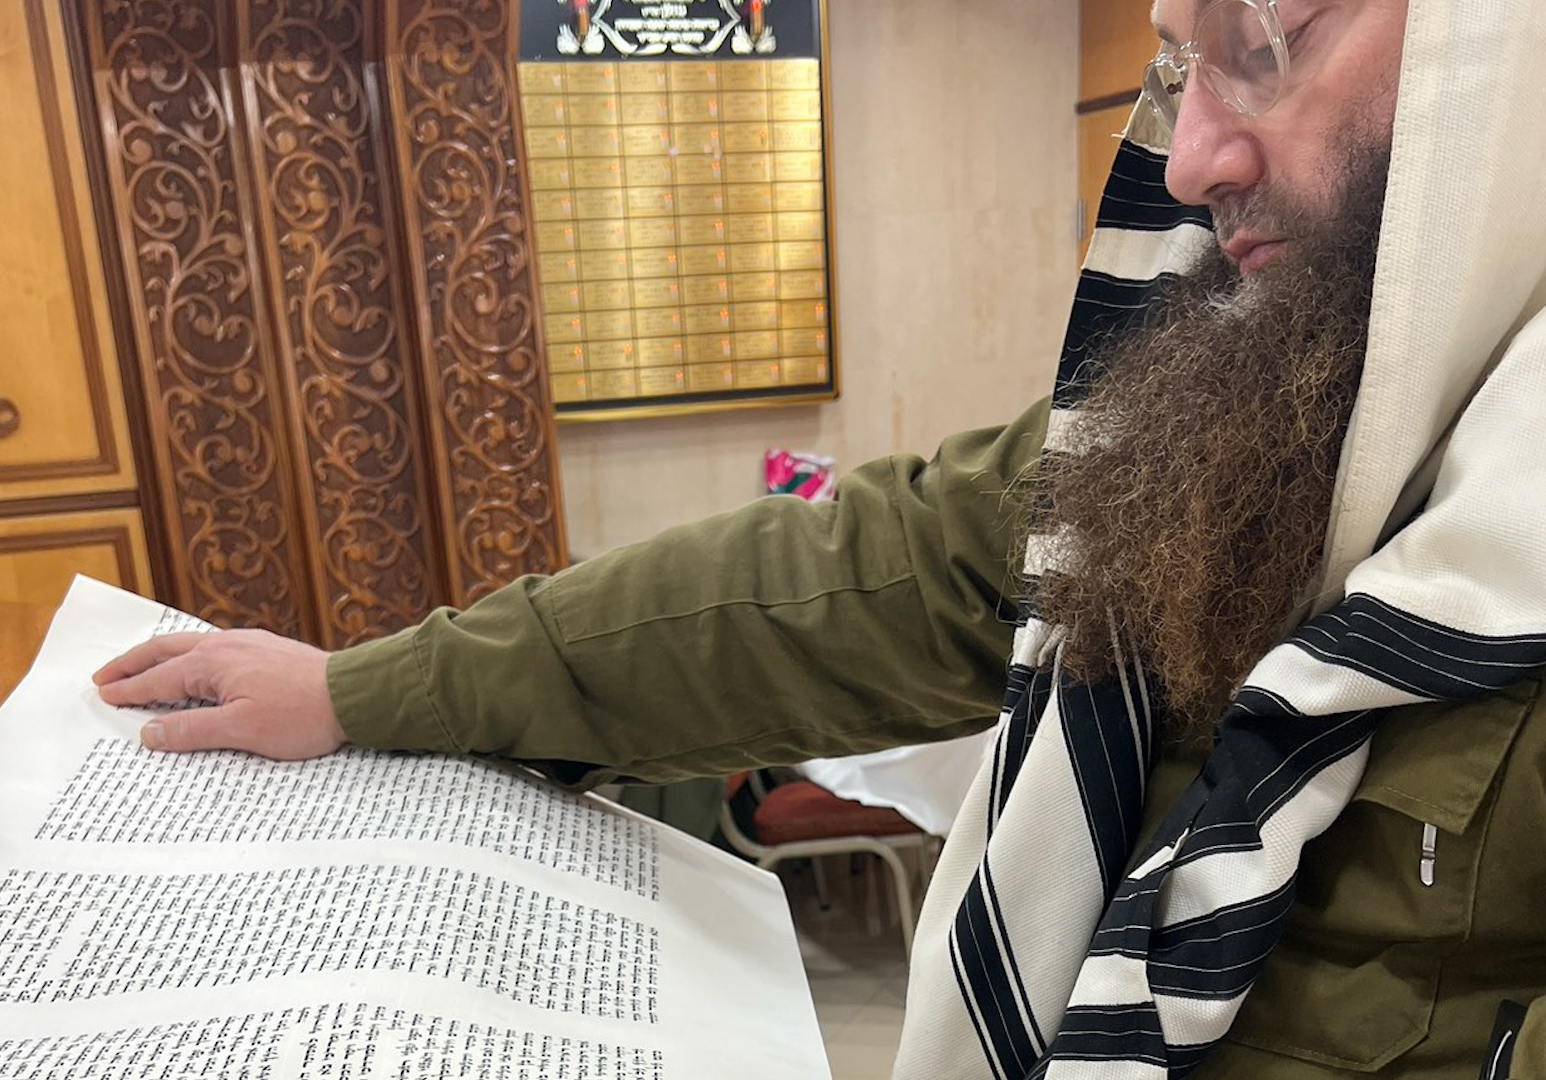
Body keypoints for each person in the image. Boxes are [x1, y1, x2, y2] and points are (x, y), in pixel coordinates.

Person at [94, 0, 1546, 1075]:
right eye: (1181, 69)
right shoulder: (1267, 390)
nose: (1190, 161)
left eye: (1262, 47)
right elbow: (857, 582)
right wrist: (360, 689)